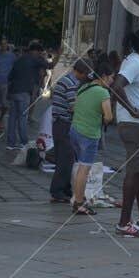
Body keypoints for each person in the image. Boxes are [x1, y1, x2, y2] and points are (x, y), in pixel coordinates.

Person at [112, 27, 139, 236]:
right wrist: (133, 110)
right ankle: (124, 222)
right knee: (134, 171)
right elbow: (116, 85)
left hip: (138, 125)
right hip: (135, 124)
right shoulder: (135, 62)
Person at [68, 57, 114, 216]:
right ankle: (79, 203)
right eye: (111, 77)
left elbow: (74, 107)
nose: (113, 81)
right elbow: (108, 116)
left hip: (74, 130)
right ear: (104, 77)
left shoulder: (83, 88)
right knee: (84, 169)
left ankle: (76, 196)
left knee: (78, 166)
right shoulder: (103, 92)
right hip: (89, 134)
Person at [49, 59, 90, 205]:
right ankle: (58, 191)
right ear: (80, 72)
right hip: (63, 123)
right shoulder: (71, 84)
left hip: (61, 123)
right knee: (65, 159)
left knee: (67, 158)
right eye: (85, 74)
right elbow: (73, 107)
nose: (86, 77)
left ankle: (65, 189)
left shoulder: (67, 80)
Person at [5, 41, 45, 159]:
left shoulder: (19, 59)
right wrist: (59, 54)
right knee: (23, 117)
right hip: (24, 93)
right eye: (39, 52)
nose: (39, 55)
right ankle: (23, 142)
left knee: (12, 117)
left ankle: (11, 143)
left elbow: (10, 77)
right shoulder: (34, 59)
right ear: (36, 51)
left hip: (14, 91)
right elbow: (50, 65)